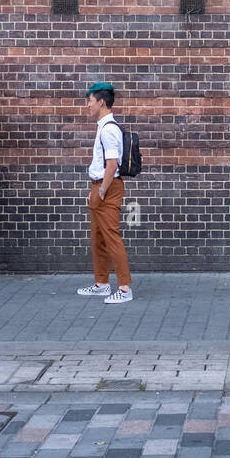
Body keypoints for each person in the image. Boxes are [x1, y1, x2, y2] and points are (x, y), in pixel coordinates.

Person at [76, 82, 133, 304]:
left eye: (89, 101)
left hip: (107, 187)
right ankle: (101, 284)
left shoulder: (108, 129)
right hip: (100, 186)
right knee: (98, 237)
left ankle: (125, 289)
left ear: (101, 102)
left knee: (111, 237)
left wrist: (100, 190)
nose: (87, 105)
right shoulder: (103, 126)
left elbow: (112, 164)